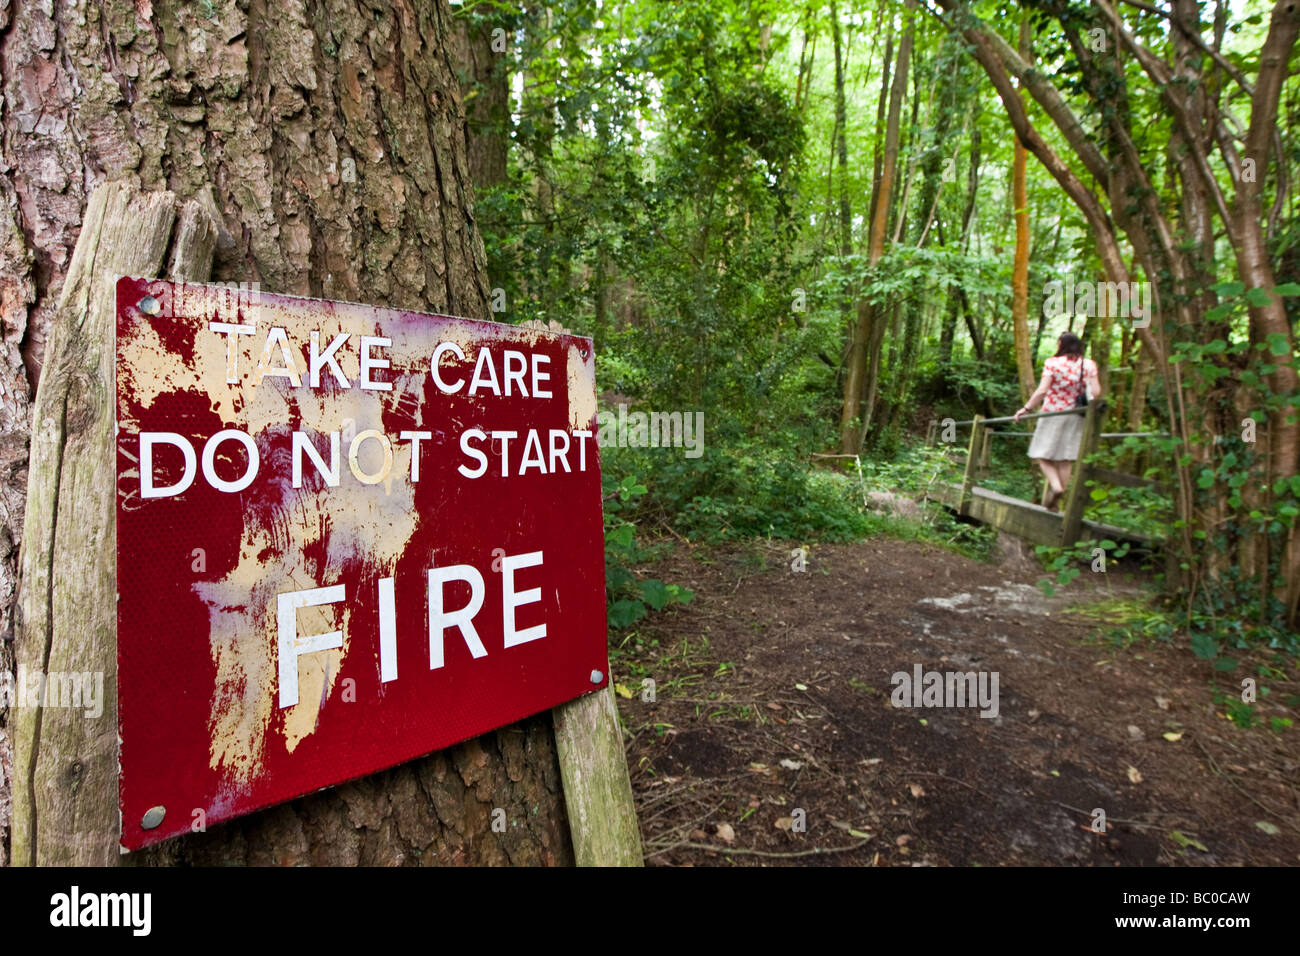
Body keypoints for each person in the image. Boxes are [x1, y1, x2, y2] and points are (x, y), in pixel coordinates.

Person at [1012, 332, 1101, 511]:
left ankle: (1056, 486)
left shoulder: (1052, 363)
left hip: (1052, 413)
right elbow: (1096, 391)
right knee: (1064, 459)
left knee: (1040, 454)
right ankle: (1056, 503)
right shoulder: (1089, 364)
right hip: (1076, 415)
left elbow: (1042, 390)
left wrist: (1026, 408)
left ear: (1061, 344)